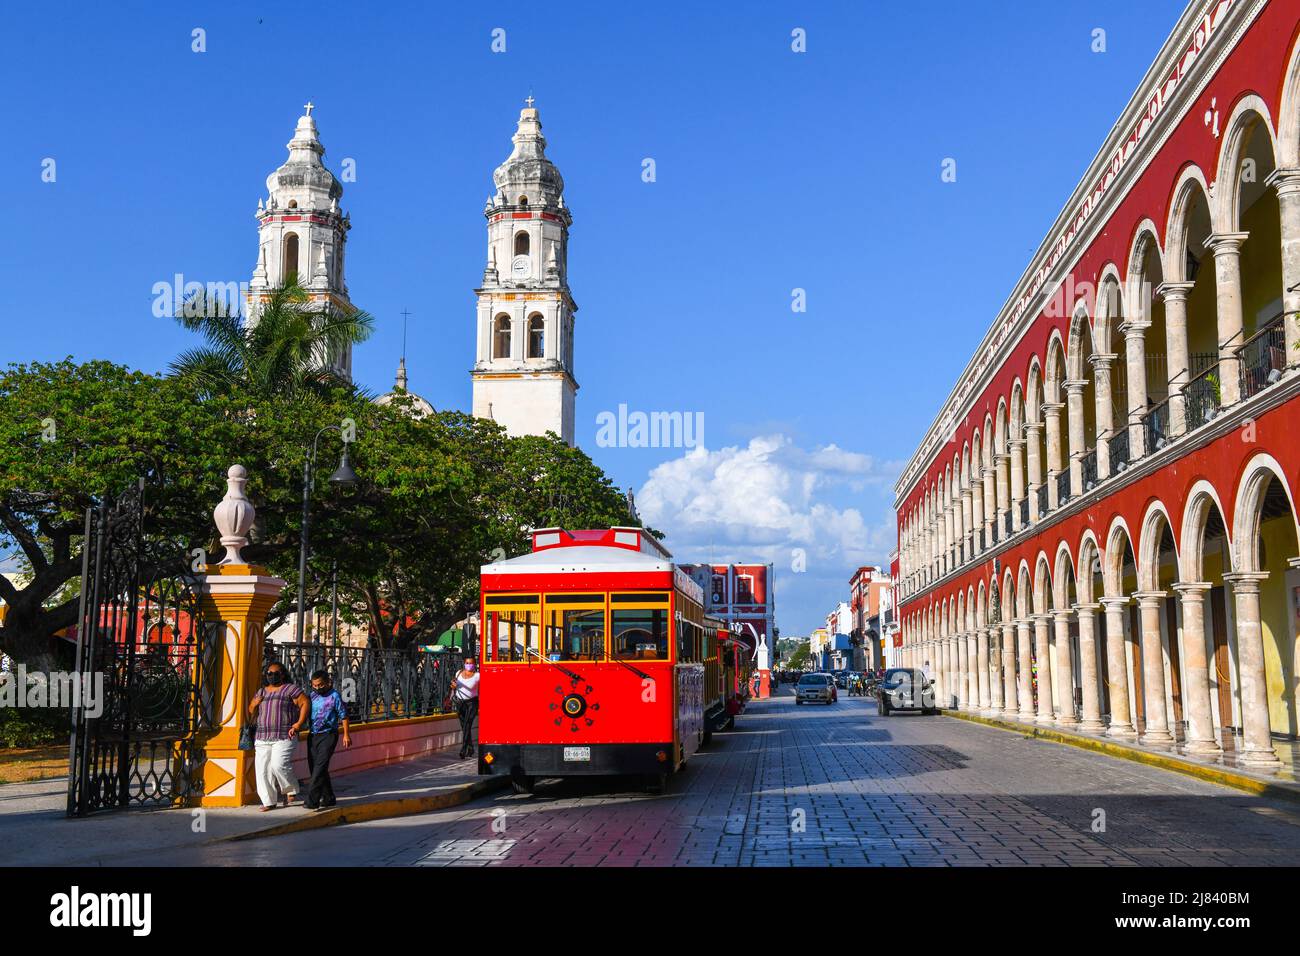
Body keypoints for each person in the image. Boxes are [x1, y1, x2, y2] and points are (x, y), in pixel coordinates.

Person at [247, 662, 309, 812]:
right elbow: (251, 709)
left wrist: (298, 724)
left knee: (278, 764)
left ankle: (291, 788)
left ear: (283, 674)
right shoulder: (262, 692)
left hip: (284, 735)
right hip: (262, 736)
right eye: (269, 673)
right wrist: (254, 704)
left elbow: (305, 702)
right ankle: (269, 802)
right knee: (262, 770)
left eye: (276, 673)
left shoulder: (290, 689)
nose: (272, 676)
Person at [305, 669, 352, 811]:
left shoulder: (335, 696)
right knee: (316, 768)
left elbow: (344, 716)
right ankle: (329, 798)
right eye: (314, 685)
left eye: (320, 685)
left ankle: (312, 801)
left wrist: (346, 734)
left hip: (329, 735)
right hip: (313, 735)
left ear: (327, 683)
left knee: (319, 768)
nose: (317, 688)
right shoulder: (312, 696)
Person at [453, 656, 480, 759]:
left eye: (471, 663)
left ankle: (463, 750)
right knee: (464, 726)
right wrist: (453, 686)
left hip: (472, 704)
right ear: (464, 663)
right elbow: (454, 686)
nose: (469, 665)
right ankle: (471, 747)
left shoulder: (478, 676)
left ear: (474, 664)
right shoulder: (458, 673)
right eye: (467, 663)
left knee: (467, 725)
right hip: (460, 703)